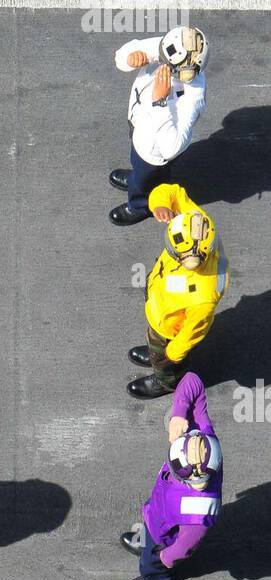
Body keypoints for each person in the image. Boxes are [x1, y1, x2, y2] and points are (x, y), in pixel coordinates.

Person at [120, 372, 222, 580]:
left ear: (189, 478)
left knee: (153, 560)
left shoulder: (200, 511)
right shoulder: (203, 436)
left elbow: (186, 545)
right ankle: (145, 544)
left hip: (164, 537)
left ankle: (156, 579)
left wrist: (166, 557)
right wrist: (178, 414)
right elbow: (193, 380)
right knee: (148, 526)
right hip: (158, 511)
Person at [127, 184, 228, 399]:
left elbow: (194, 331)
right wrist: (161, 204)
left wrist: (172, 354)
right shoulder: (195, 223)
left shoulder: (203, 298)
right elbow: (171, 191)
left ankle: (167, 380)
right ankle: (155, 351)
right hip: (160, 307)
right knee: (153, 340)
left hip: (169, 330)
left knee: (166, 359)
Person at [109, 25, 207, 225]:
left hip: (153, 151)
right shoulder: (169, 46)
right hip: (138, 124)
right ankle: (136, 178)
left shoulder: (193, 95)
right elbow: (124, 53)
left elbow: (171, 148)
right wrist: (130, 59)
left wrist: (160, 102)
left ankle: (140, 204)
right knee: (138, 166)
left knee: (148, 177)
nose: (161, 62)